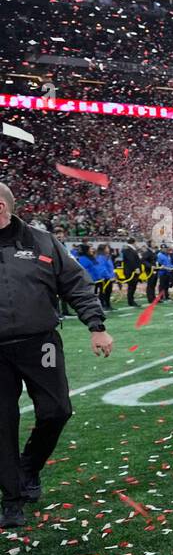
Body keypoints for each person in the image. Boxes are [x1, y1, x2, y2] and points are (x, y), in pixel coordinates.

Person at [0, 181, 114, 528]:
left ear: (3, 207)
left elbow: (75, 283)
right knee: (2, 424)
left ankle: (28, 467)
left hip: (40, 342)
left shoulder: (42, 242)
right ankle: (13, 497)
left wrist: (96, 325)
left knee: (57, 410)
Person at [120, 239, 142, 307]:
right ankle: (131, 301)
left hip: (133, 270)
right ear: (134, 242)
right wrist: (136, 268)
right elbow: (131, 260)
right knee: (131, 286)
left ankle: (132, 300)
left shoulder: (132, 249)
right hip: (131, 271)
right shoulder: (128, 249)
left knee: (133, 286)